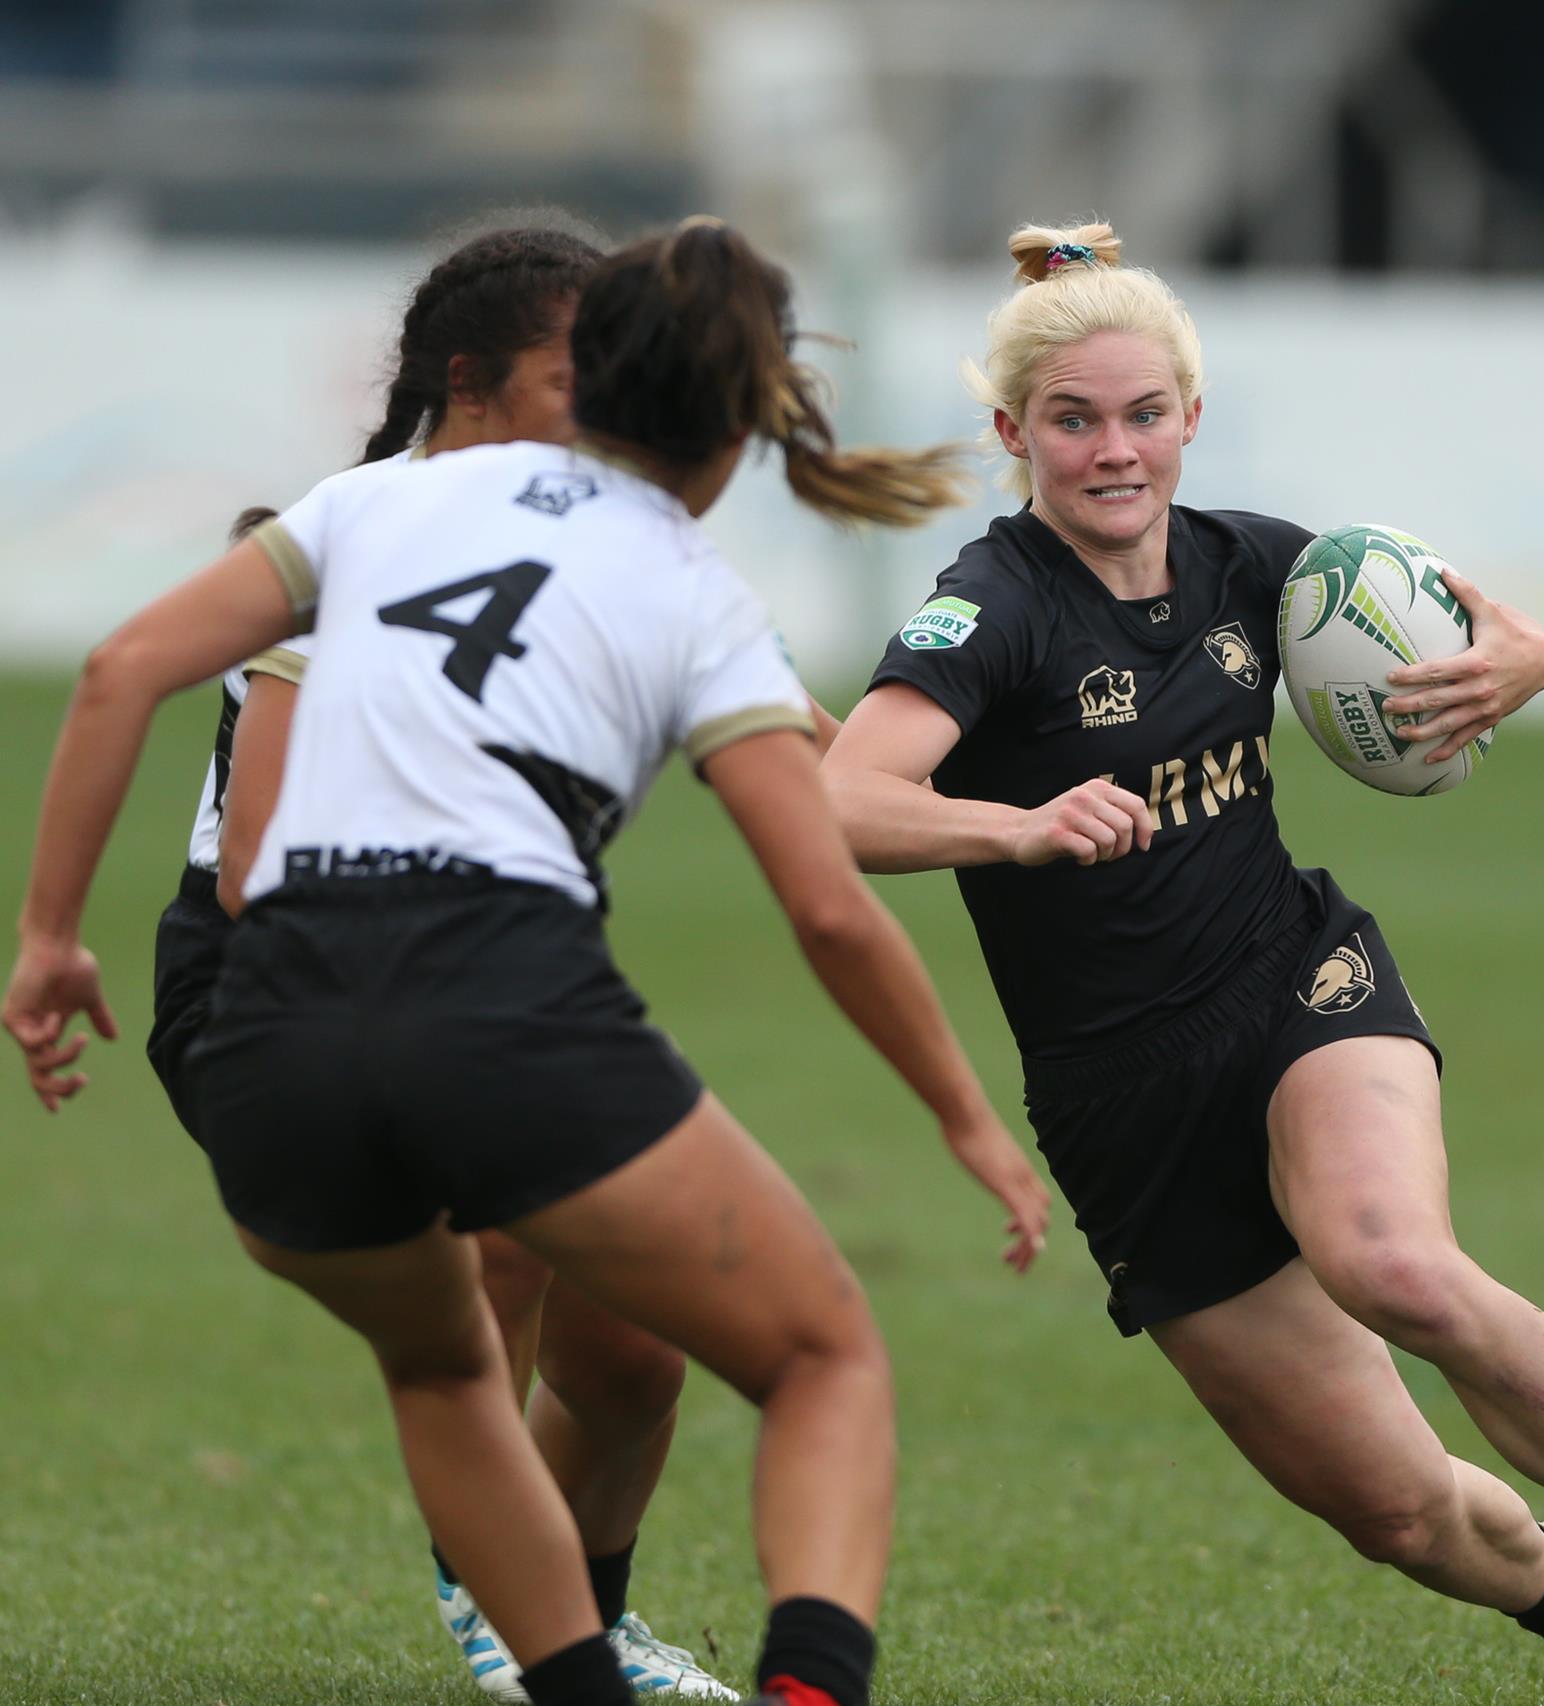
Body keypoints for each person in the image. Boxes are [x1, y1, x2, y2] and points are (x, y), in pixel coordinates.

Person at [5, 216, 1051, 1706]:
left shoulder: (390, 521)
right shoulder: (635, 568)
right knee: (822, 1357)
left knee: (594, 1356)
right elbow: (819, 892)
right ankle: (741, 1670)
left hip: (297, 1036)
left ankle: (574, 1646)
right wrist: (964, 1116)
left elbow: (116, 670)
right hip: (399, 980)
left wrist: (1003, 826)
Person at [820, 221, 1544, 1705]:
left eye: (1145, 414)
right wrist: (1012, 827)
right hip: (1123, 1106)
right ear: (1013, 432)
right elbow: (842, 797)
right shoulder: (995, 603)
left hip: (1299, 989)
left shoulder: (1254, 563)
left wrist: (1518, 665)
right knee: (1400, 1509)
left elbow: (1508, 627)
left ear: (1191, 416)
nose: (1114, 451)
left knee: (1392, 1260)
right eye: (1074, 421)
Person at [144, 223, 735, 1701]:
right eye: (577, 371)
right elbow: (249, 856)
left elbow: (776, 757)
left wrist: (990, 803)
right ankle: (500, 1601)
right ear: (475, 386)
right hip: (273, 973)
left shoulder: (570, 528)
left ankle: (591, 1624)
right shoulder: (354, 530)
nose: (609, 400)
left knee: (634, 1360)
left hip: (465, 965)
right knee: (510, 1226)